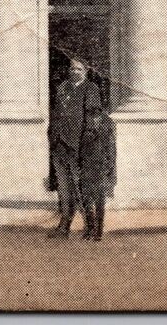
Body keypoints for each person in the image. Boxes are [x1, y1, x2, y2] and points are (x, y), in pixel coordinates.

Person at [47, 57, 101, 238]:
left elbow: (94, 117)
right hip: (59, 144)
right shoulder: (63, 88)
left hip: (78, 145)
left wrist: (87, 142)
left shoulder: (90, 89)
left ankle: (92, 226)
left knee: (81, 186)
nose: (74, 72)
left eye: (78, 69)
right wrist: (52, 135)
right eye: (72, 69)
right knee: (63, 187)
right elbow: (55, 113)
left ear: (85, 72)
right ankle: (64, 226)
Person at [78, 105, 116, 241]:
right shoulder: (84, 126)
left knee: (99, 201)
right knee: (87, 200)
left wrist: (110, 168)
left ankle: (98, 231)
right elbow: (80, 149)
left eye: (95, 116)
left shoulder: (108, 125)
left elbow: (111, 149)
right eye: (91, 116)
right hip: (87, 168)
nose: (93, 119)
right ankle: (90, 228)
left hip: (100, 168)